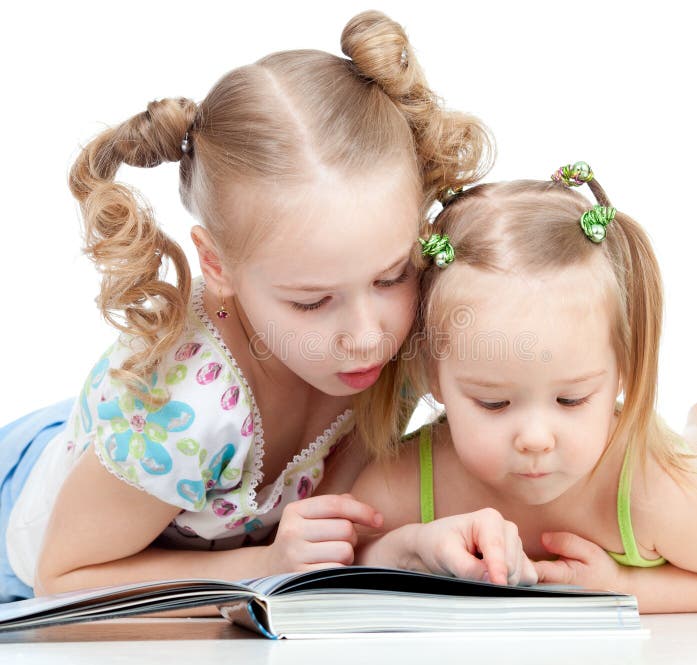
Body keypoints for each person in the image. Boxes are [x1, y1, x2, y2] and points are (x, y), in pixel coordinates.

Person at [0, 10, 493, 603]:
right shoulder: (184, 409)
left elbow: (342, 526)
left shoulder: (401, 331)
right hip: (37, 528)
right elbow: (63, 580)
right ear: (217, 267)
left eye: (393, 275)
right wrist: (267, 561)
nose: (366, 336)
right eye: (311, 302)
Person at [351, 164, 697, 612]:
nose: (535, 438)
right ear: (433, 373)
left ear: (623, 369)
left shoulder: (652, 488)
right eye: (494, 402)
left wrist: (622, 586)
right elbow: (343, 564)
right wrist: (409, 544)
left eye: (571, 399)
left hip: (696, 489)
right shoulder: (407, 481)